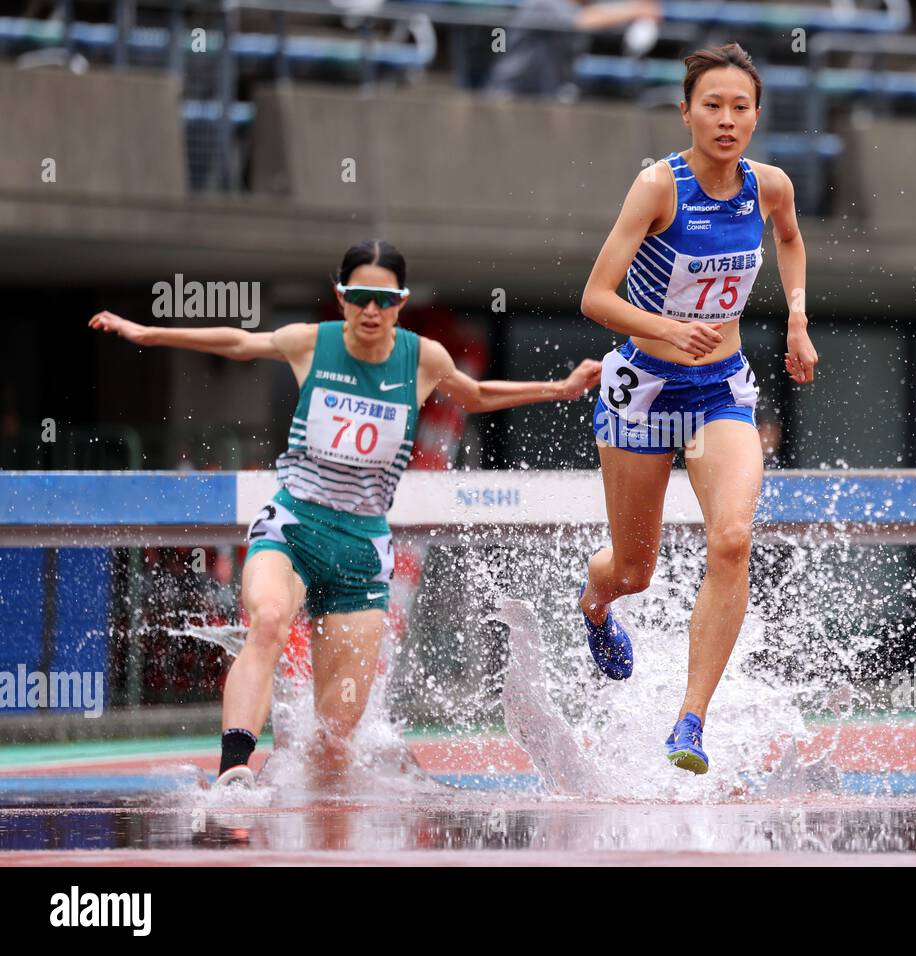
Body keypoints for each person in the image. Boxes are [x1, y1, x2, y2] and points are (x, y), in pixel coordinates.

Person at [89, 239, 601, 788]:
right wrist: (147, 333)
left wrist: (562, 388)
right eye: (359, 298)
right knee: (267, 622)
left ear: (401, 302)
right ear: (341, 297)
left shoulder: (422, 358)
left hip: (361, 557)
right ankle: (234, 771)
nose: (371, 311)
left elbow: (474, 394)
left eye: (384, 299)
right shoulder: (311, 344)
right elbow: (238, 342)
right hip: (293, 529)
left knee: (334, 741)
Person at [577, 43, 818, 774]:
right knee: (633, 570)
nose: (726, 119)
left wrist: (798, 319)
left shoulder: (770, 185)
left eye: (740, 106)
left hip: (719, 391)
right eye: (712, 105)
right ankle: (594, 606)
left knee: (732, 539)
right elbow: (595, 298)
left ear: (756, 115)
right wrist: (663, 328)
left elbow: (792, 241)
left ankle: (690, 721)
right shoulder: (658, 188)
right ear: (686, 112)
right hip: (644, 387)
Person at [484, 0, 663, 99]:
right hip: (508, 98)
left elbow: (597, 15)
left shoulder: (581, 9)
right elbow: (581, 22)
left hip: (542, 100)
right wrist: (635, 9)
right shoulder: (543, 3)